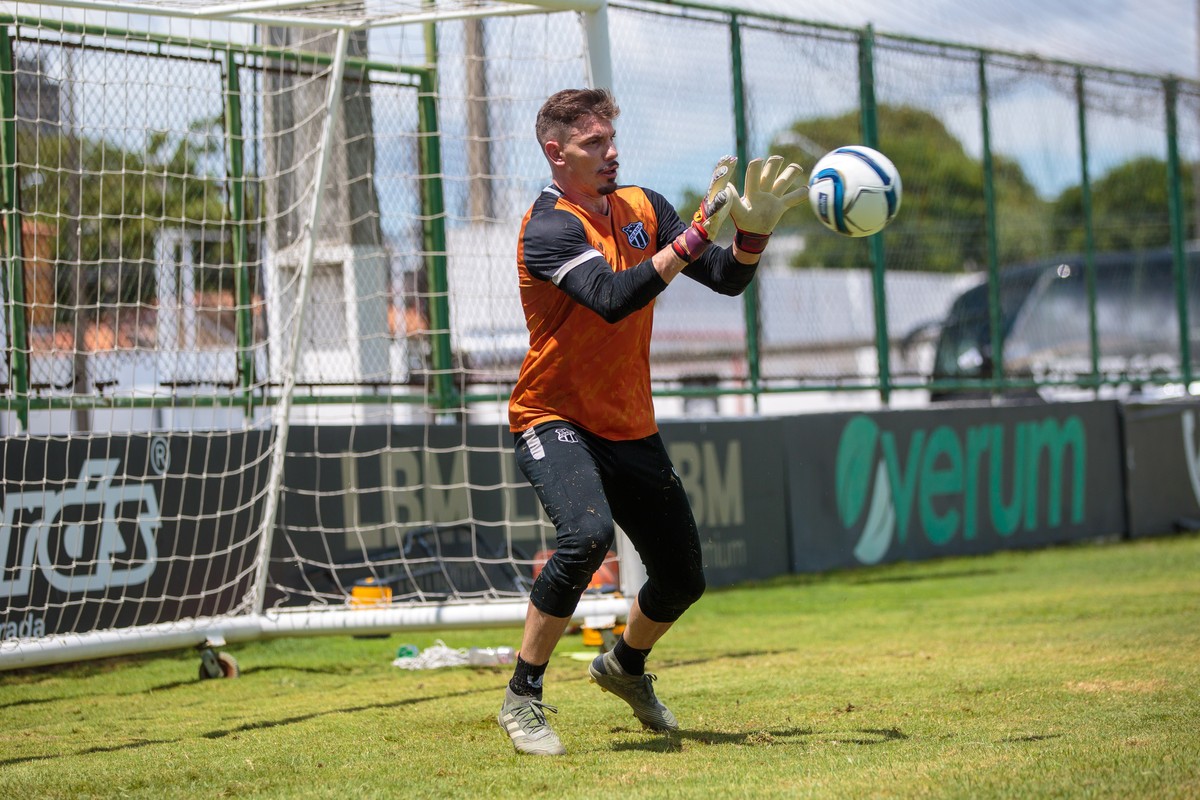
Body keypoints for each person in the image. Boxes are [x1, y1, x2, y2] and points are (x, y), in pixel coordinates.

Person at [498, 87, 804, 756]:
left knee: (682, 578)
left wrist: (754, 231)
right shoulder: (547, 228)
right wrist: (694, 236)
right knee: (585, 536)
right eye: (593, 144)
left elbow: (724, 277)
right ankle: (523, 695)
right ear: (557, 154)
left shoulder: (644, 206)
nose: (611, 153)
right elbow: (610, 296)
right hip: (551, 414)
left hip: (628, 419)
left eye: (611, 139)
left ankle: (625, 667)